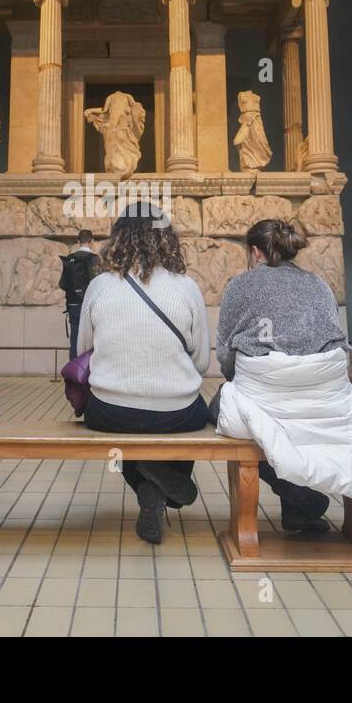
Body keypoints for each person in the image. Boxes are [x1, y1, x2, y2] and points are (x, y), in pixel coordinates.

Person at [214, 219, 352, 521]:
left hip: (266, 398)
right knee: (296, 420)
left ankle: (300, 497)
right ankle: (300, 510)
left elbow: (225, 351)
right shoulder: (319, 285)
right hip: (327, 403)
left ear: (256, 253)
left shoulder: (241, 286)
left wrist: (236, 376)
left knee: (221, 406)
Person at [76, 203, 211, 545]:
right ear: (167, 239)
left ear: (118, 239)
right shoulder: (187, 287)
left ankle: (146, 480)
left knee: (121, 422)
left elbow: (82, 353)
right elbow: (201, 362)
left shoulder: (100, 286)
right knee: (194, 411)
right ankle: (162, 480)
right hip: (177, 412)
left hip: (109, 409)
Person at [58, 229, 100, 360]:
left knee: (75, 341)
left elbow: (62, 284)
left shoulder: (70, 259)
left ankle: (73, 374)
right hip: (90, 307)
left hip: (73, 306)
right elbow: (98, 284)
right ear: (92, 242)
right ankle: (87, 374)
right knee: (93, 341)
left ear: (78, 242)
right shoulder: (94, 259)